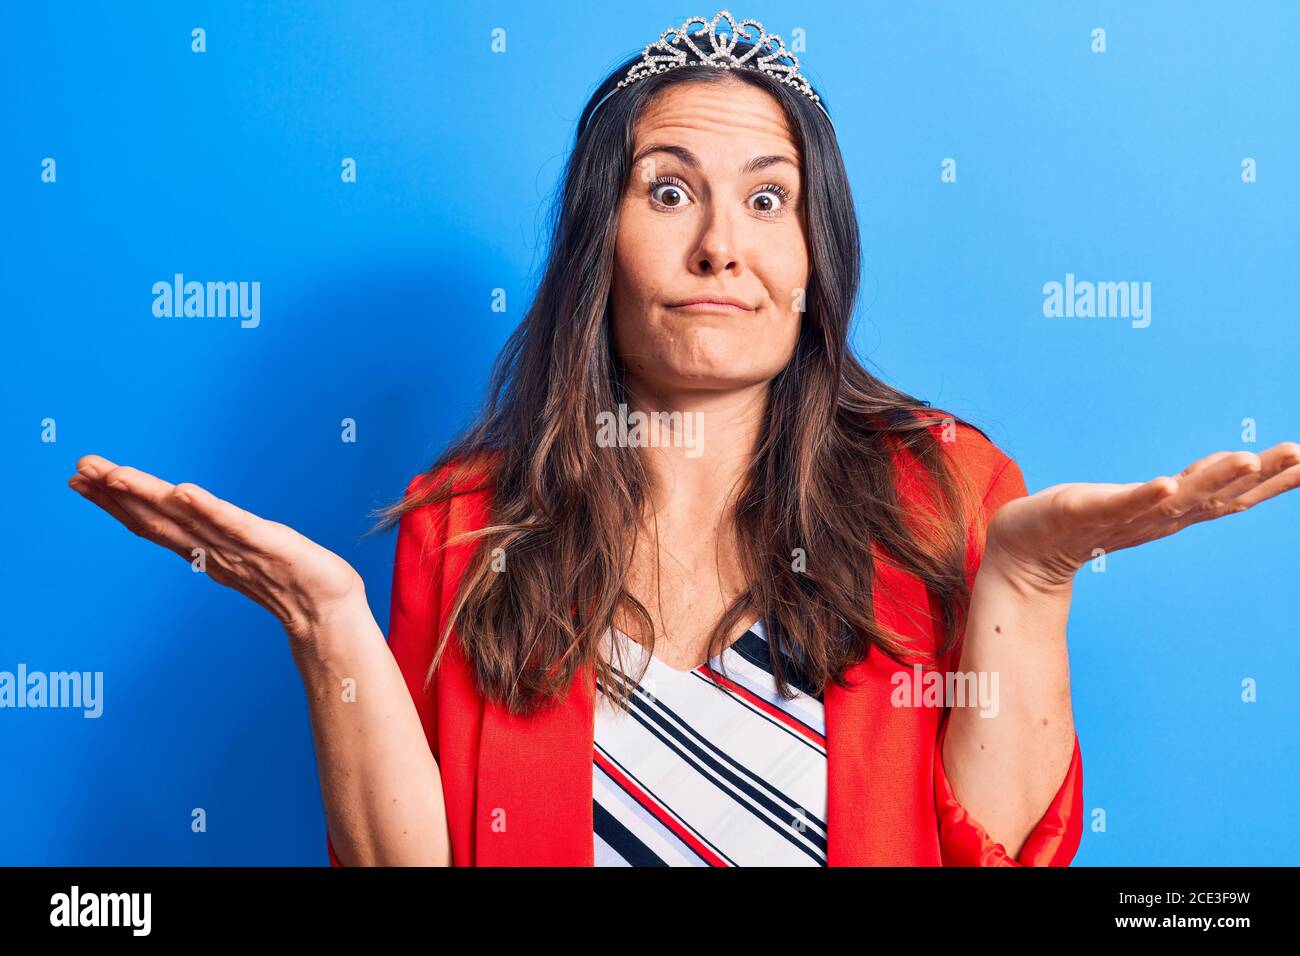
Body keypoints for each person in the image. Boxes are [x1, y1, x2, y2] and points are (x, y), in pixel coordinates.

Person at [66, 10, 1300, 867]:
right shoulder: (464, 519)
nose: (722, 246)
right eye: (668, 191)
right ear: (594, 243)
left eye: (769, 198)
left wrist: (1027, 581)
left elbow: (995, 852)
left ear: (816, 255)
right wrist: (325, 619)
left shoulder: (944, 485)